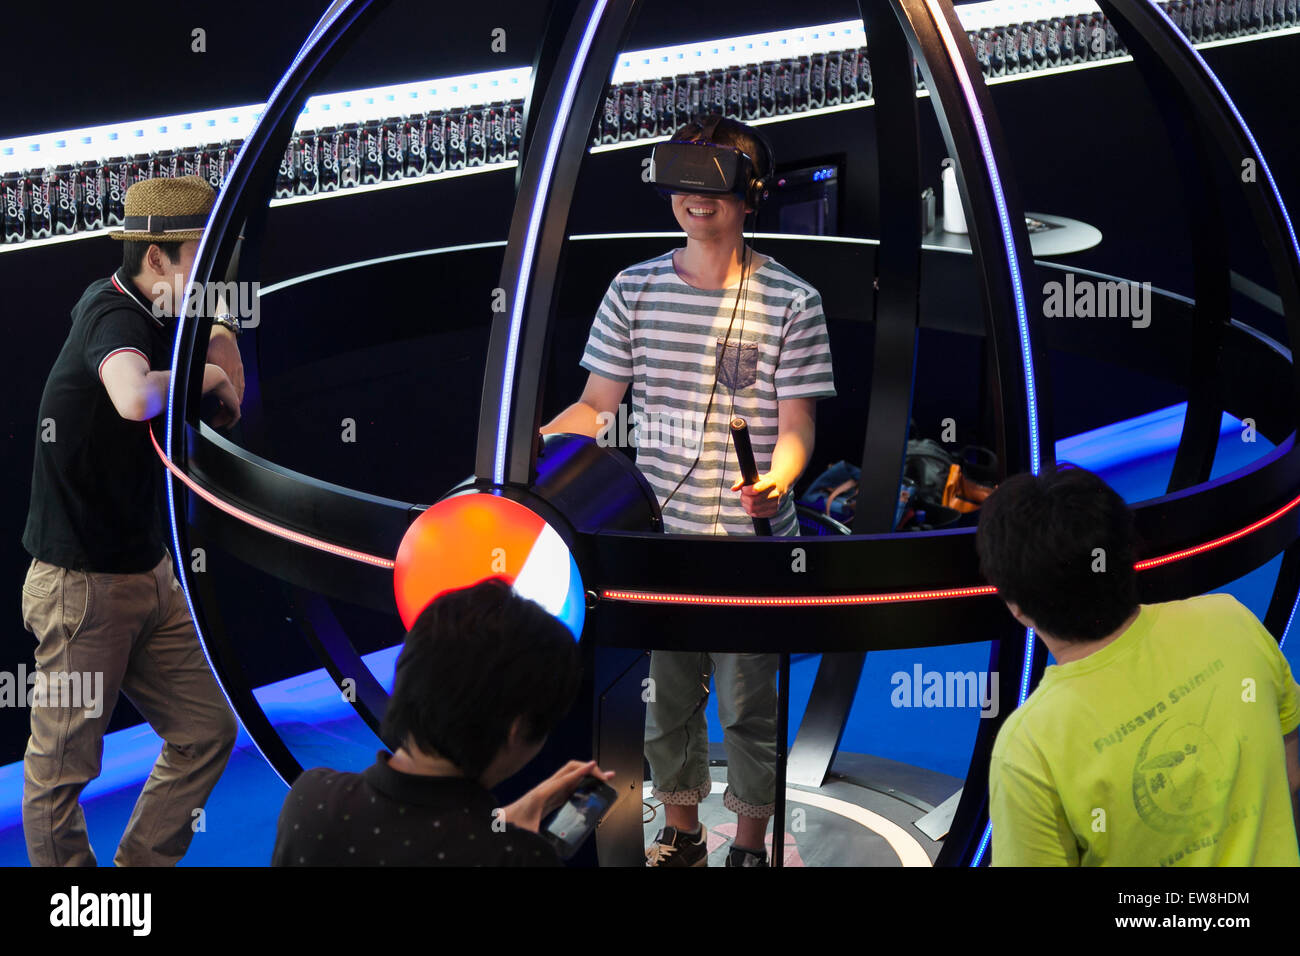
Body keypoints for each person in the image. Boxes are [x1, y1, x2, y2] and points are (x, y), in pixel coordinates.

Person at [542, 114, 836, 866]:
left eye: (714, 181)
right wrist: (544, 441)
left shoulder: (792, 301)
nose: (694, 198)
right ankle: (681, 832)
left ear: (751, 194)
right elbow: (597, 402)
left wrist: (781, 478)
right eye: (681, 179)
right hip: (659, 539)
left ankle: (748, 842)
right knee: (666, 703)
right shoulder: (632, 289)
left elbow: (798, 423)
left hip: (751, 546)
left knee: (748, 705)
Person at [19, 175, 245, 866]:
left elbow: (235, 396)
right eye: (201, 260)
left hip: (147, 574)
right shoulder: (112, 314)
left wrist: (221, 343)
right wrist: (205, 377)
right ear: (156, 259)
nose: (214, 278)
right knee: (61, 773)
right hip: (81, 588)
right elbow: (132, 398)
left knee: (207, 729)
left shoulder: (169, 312)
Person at [978, 465, 1300, 865]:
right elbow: (1291, 775)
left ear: (1016, 606)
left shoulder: (1028, 750)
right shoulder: (1232, 621)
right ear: (1130, 550)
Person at [271, 576, 613, 866]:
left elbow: (414, 836)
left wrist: (506, 823)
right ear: (519, 729)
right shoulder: (516, 857)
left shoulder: (311, 799)